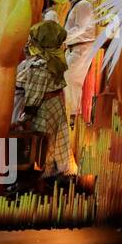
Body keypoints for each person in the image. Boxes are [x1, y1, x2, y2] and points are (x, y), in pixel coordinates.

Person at [13, 20, 78, 186]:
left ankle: (42, 178)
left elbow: (34, 94)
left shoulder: (41, 64)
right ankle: (61, 172)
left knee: (43, 143)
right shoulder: (55, 57)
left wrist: (25, 117)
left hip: (43, 109)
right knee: (57, 140)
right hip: (55, 105)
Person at [61, 0, 100, 121]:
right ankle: (70, 113)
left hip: (81, 48)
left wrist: (62, 37)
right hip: (76, 47)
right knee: (70, 81)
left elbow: (81, 29)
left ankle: (70, 114)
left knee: (70, 80)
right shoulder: (79, 5)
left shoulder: (83, 5)